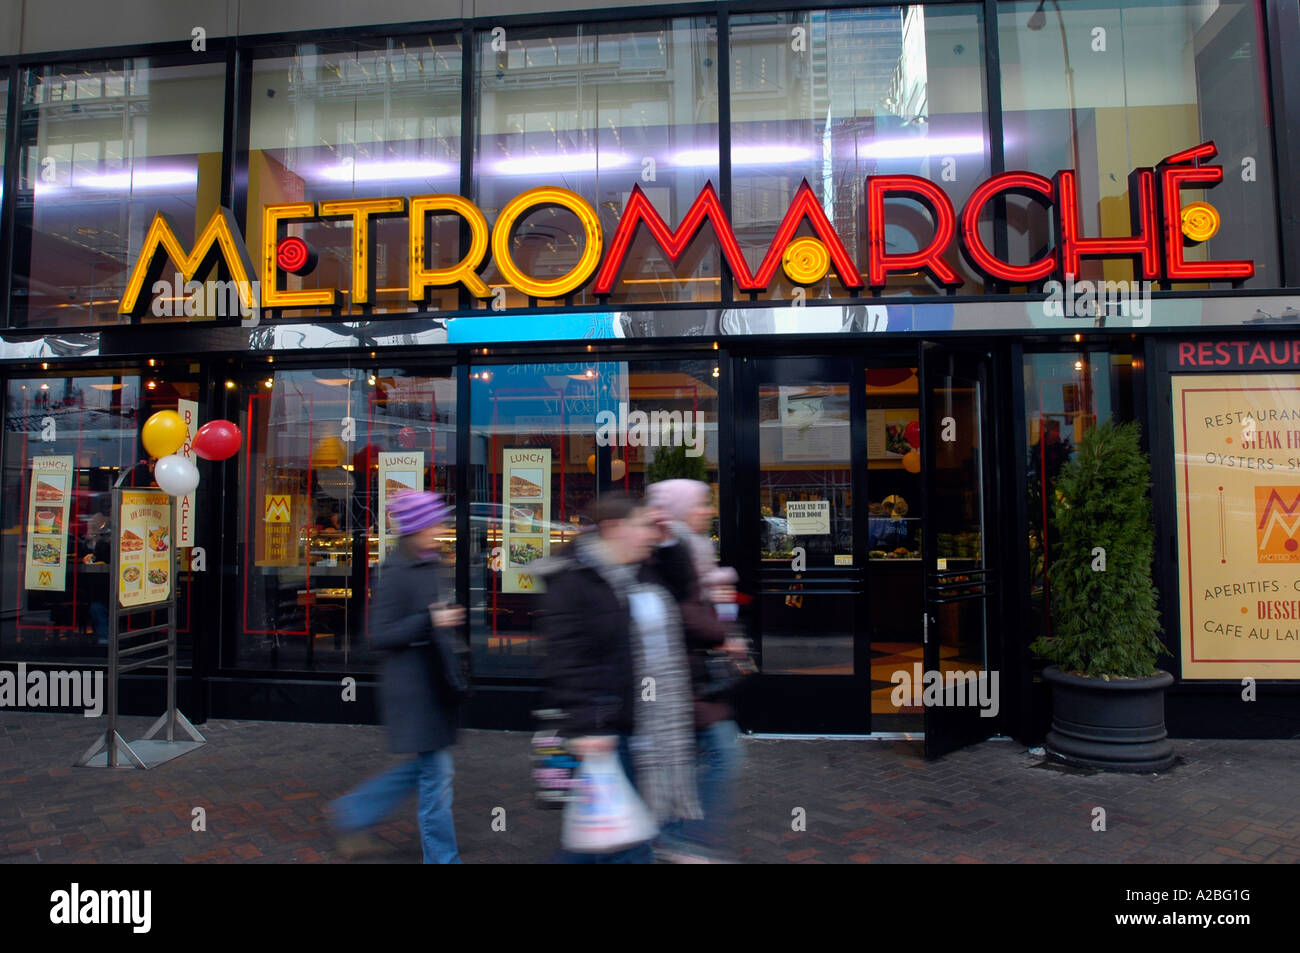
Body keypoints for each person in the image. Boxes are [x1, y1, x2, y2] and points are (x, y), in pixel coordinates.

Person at [536, 492, 701, 863]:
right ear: (612, 529)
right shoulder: (573, 579)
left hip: (643, 724)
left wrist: (669, 539)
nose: (648, 534)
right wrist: (587, 726)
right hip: (603, 729)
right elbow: (564, 659)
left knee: (599, 838)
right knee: (621, 841)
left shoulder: (642, 568)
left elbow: (685, 588)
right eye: (641, 526)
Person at [329, 490, 466, 863]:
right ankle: (443, 859)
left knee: (427, 770)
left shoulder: (430, 562)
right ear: (418, 528)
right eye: (435, 523)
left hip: (432, 683)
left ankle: (354, 811)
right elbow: (380, 634)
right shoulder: (396, 571)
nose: (441, 529)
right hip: (413, 689)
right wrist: (431, 620)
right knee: (436, 778)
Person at [646, 478, 747, 862]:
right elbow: (683, 613)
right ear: (680, 509)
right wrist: (721, 631)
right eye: (701, 504)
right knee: (724, 754)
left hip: (693, 677)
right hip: (679, 678)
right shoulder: (673, 547)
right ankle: (680, 840)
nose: (708, 511)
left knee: (693, 760)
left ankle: (671, 837)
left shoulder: (694, 547)